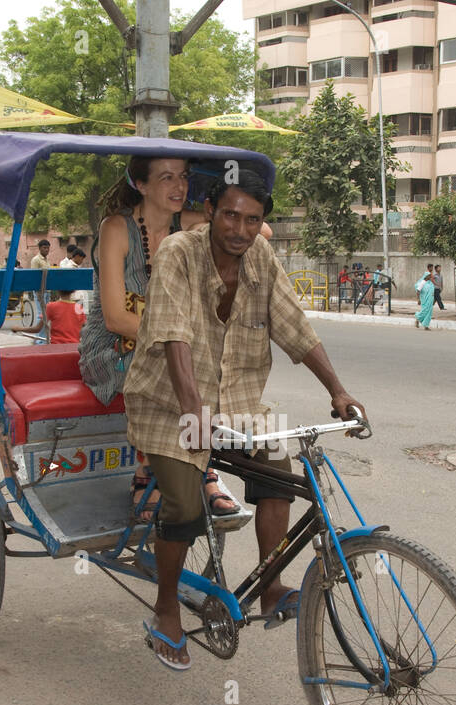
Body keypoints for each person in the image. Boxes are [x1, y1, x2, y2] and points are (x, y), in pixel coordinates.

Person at [124, 170, 364, 671]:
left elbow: (295, 327)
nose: (240, 228)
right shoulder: (178, 253)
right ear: (210, 210)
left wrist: (338, 391)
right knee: (185, 508)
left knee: (278, 471)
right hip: (168, 403)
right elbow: (174, 337)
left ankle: (271, 584)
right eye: (230, 214)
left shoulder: (260, 257)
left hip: (235, 403)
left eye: (252, 219)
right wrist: (193, 413)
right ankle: (166, 610)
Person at [79, 154, 241, 523]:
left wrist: (220, 215)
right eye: (166, 178)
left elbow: (257, 231)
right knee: (170, 369)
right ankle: (148, 471)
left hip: (170, 341)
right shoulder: (116, 229)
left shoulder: (187, 223)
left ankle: (200, 465)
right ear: (141, 185)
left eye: (183, 176)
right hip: (114, 346)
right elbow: (117, 318)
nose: (179, 186)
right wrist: (178, 340)